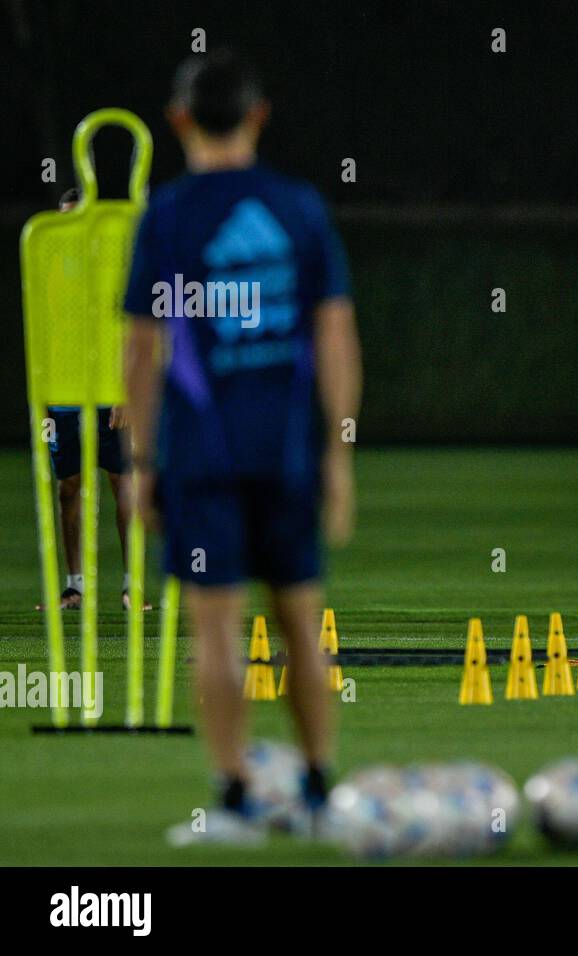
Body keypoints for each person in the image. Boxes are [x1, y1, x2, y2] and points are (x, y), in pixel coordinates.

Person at [123, 50, 361, 844]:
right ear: (259, 116)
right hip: (289, 450)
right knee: (300, 626)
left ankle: (233, 803)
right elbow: (334, 331)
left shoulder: (167, 215)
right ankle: (322, 795)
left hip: (201, 456)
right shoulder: (296, 208)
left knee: (216, 633)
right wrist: (337, 451)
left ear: (179, 119)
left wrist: (140, 462)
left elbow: (140, 348)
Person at [38, 188, 149, 612]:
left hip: (109, 393)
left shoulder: (114, 269)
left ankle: (131, 585)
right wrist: (43, 398)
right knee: (69, 488)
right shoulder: (50, 269)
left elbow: (131, 331)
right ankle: (75, 587)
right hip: (66, 395)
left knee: (124, 485)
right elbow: (43, 336)